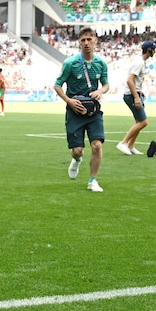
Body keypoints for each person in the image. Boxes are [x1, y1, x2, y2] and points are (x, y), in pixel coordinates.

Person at [53, 27, 110, 192]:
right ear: (79, 42)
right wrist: (69, 101)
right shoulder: (70, 63)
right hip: (75, 112)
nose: (86, 43)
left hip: (93, 112)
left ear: (95, 41)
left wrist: (100, 91)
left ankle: (93, 181)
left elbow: (106, 84)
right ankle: (76, 160)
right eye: (83, 40)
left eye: (89, 39)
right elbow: (57, 85)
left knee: (97, 145)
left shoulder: (101, 63)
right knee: (77, 151)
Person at [118, 40, 156, 155]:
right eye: (154, 49)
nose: (155, 51)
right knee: (143, 122)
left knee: (138, 121)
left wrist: (140, 92)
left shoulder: (142, 62)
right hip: (131, 95)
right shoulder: (139, 63)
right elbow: (130, 80)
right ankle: (123, 143)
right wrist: (136, 97)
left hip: (135, 93)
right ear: (149, 50)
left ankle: (131, 145)